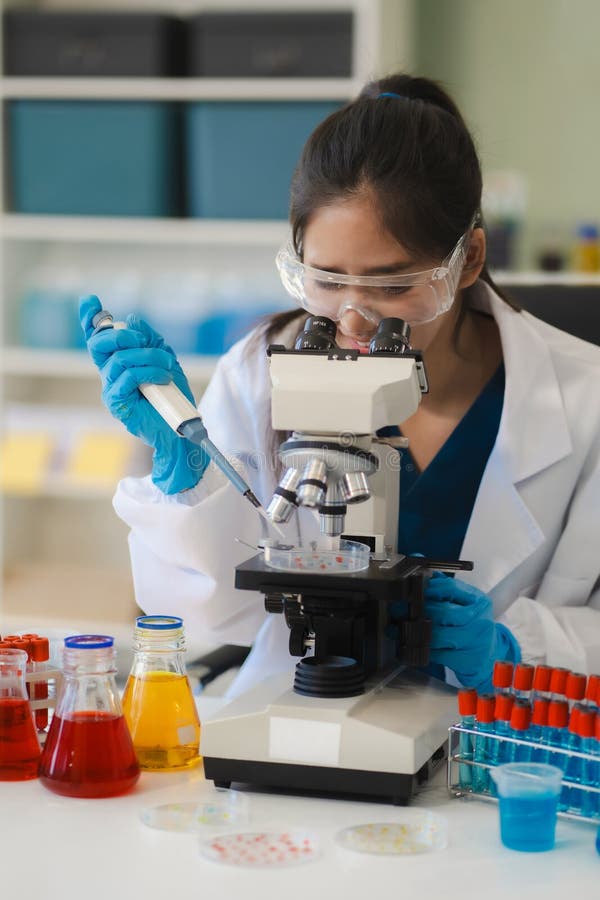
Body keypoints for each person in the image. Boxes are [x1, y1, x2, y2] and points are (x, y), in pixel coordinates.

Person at [80, 73, 600, 699]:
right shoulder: (258, 368)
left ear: (470, 260)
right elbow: (215, 618)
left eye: (392, 285)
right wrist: (188, 479)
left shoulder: (582, 399)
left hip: (499, 742)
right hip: (298, 706)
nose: (354, 319)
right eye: (326, 278)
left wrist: (518, 650)